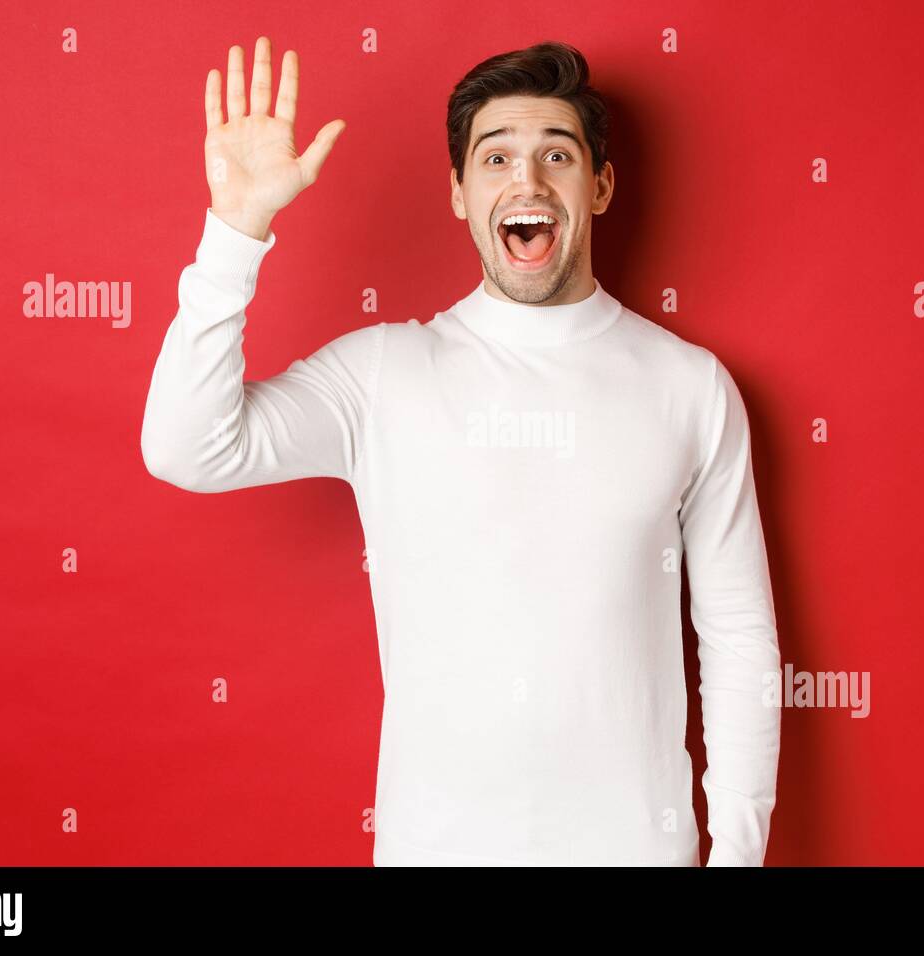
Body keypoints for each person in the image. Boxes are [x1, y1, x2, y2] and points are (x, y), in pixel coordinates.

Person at [140, 36, 781, 866]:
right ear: (458, 192)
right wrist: (235, 230)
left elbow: (738, 640)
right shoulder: (381, 374)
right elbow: (188, 447)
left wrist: (734, 859)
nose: (528, 181)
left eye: (558, 153)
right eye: (496, 157)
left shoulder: (690, 387)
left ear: (600, 185)